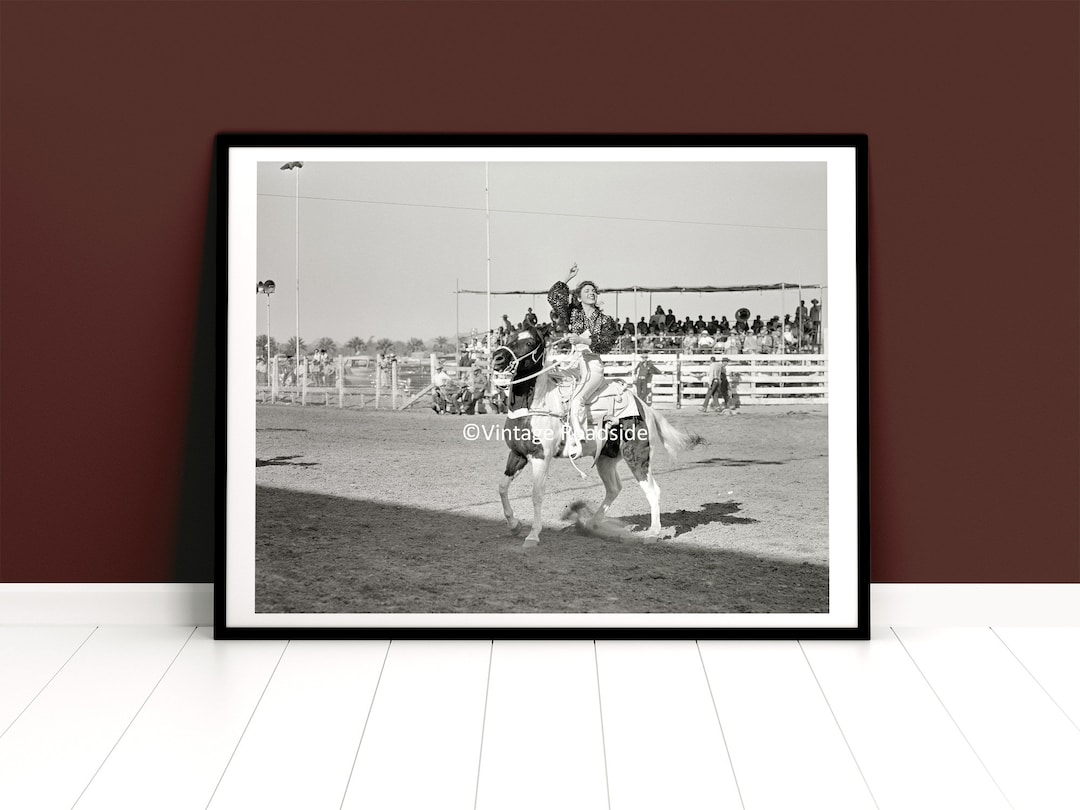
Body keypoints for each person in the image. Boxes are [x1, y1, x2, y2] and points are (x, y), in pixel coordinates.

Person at [548, 264, 619, 458]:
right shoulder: (573, 313)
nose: (592, 293)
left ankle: (578, 441)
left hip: (592, 365)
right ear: (579, 297)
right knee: (547, 380)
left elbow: (607, 343)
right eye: (587, 290)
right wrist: (566, 277)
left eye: (593, 290)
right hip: (573, 363)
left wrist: (582, 340)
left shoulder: (605, 320)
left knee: (578, 400)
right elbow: (554, 298)